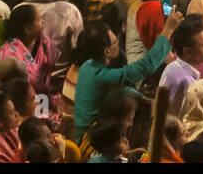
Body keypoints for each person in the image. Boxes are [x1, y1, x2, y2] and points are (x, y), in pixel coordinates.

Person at [72, 11, 181, 140]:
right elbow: (144, 67)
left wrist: (140, 96)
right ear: (106, 51)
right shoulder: (102, 77)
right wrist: (168, 29)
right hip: (89, 142)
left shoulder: (87, 66)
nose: (118, 42)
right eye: (114, 41)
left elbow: (118, 88)